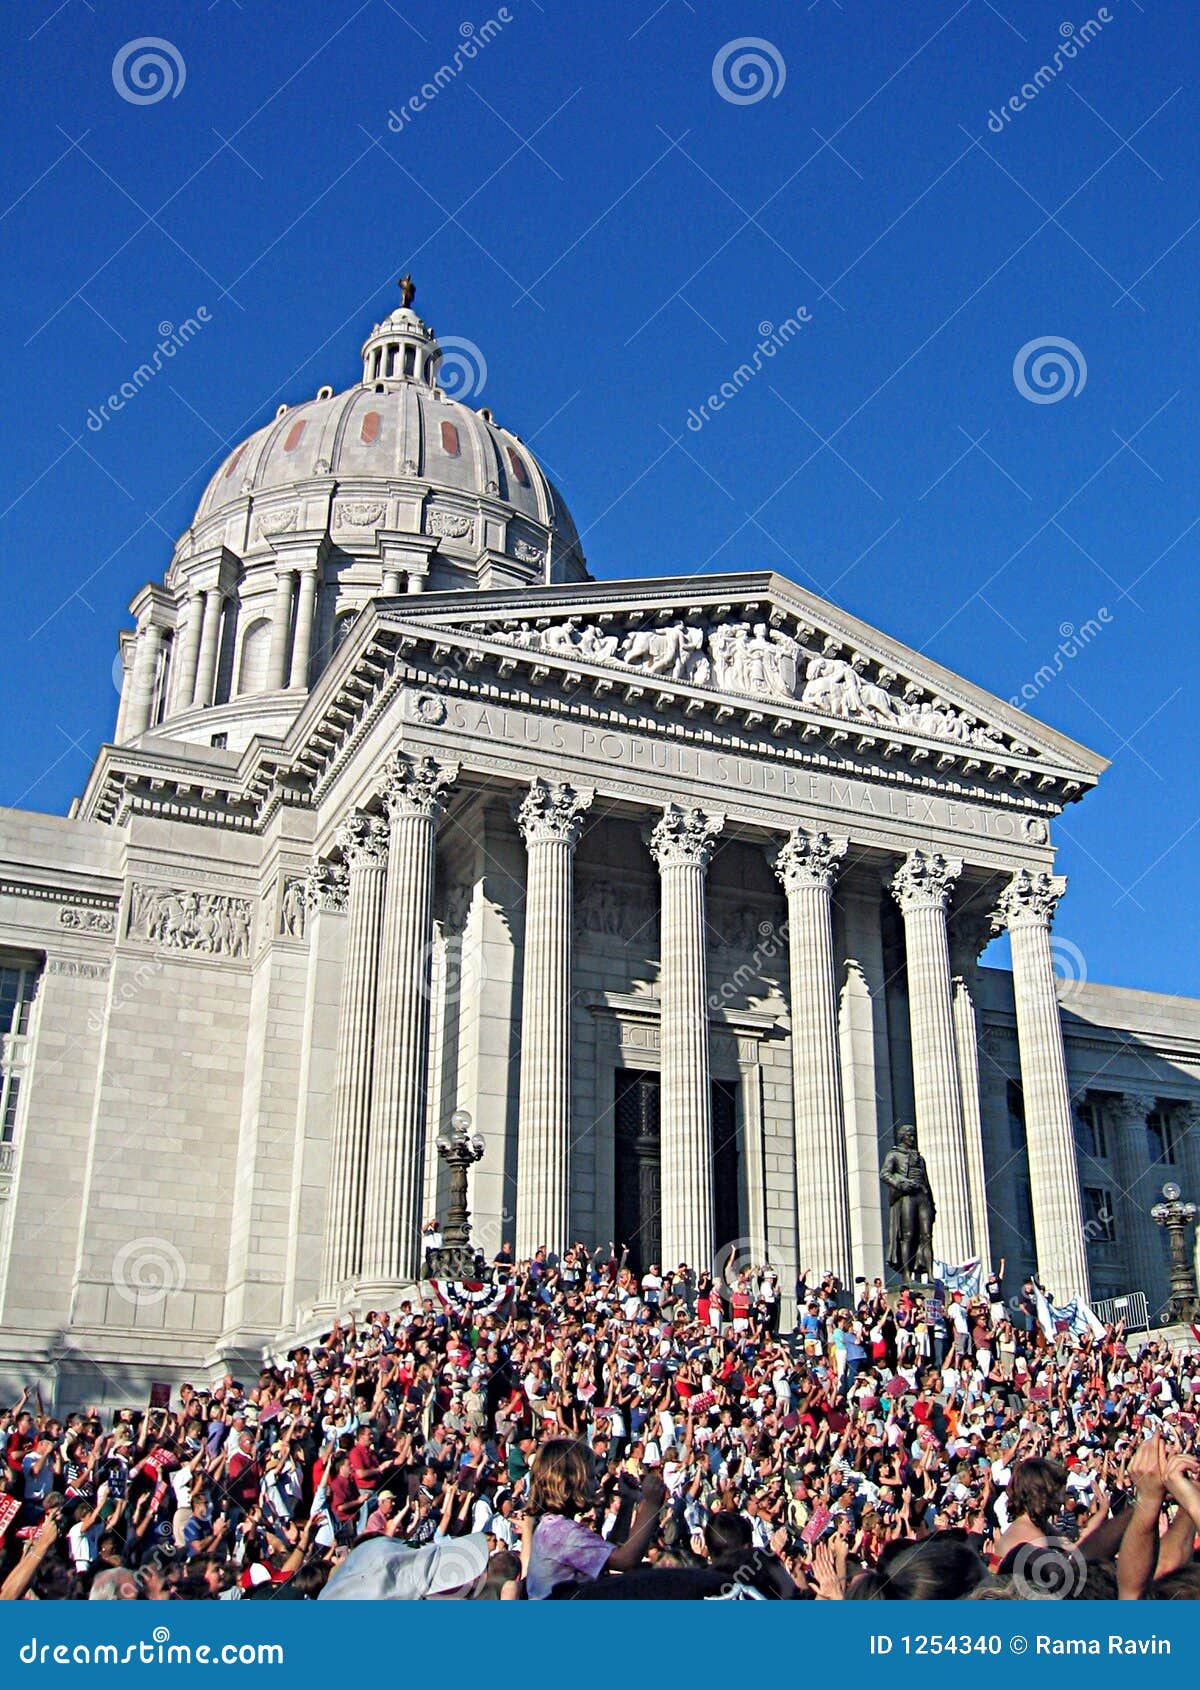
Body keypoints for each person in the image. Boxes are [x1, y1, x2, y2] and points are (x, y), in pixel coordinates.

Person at [520, 1438, 666, 1598]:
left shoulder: (552, 1526)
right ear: (569, 1482)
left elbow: (612, 1548)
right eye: (590, 1477)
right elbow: (626, 1559)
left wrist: (627, 1500)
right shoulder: (562, 1533)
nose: (596, 1484)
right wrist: (651, 1504)